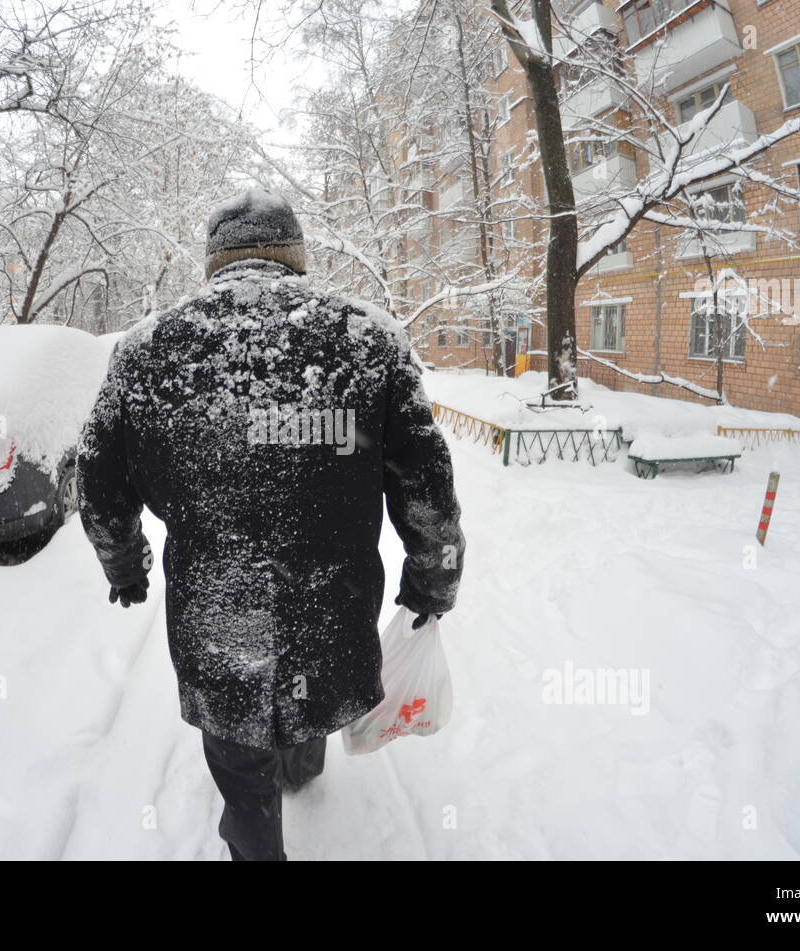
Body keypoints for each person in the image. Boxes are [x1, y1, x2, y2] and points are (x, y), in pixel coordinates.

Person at [76, 188, 464, 860]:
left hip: (216, 618)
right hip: (330, 610)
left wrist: (126, 565)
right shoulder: (368, 339)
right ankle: (302, 756)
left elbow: (99, 484)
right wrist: (432, 581)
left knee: (237, 754)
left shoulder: (144, 354)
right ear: (296, 256)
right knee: (306, 694)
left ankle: (256, 836)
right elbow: (426, 484)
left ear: (212, 260)